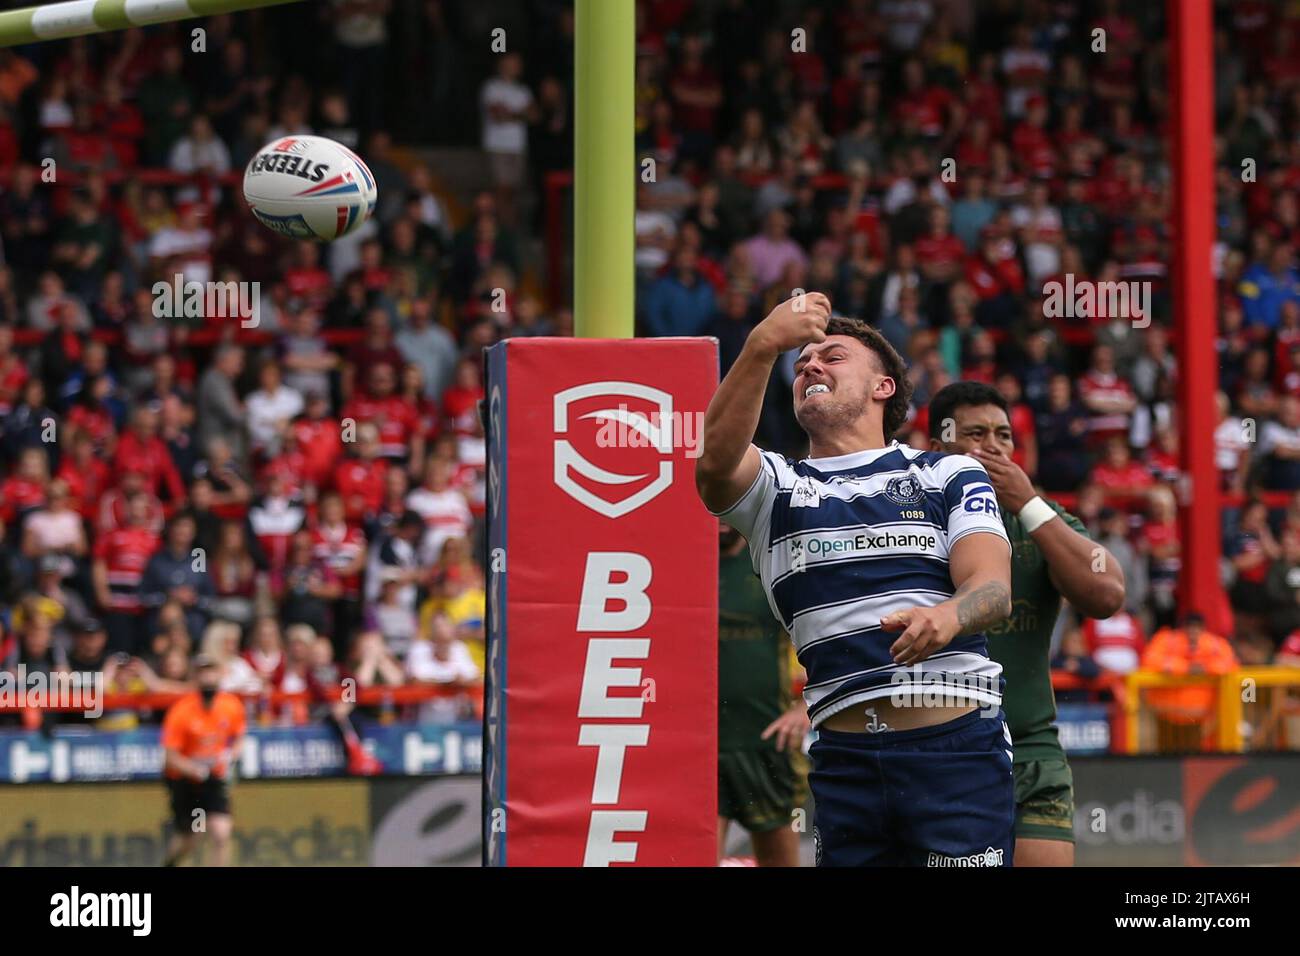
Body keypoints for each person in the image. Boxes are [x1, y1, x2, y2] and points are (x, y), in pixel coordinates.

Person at [696, 294, 1015, 867]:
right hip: (845, 762)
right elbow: (714, 467)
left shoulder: (947, 471)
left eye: (833, 358)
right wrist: (763, 343)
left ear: (882, 386)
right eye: (801, 364)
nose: (810, 366)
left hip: (956, 751)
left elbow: (992, 588)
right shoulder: (777, 488)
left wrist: (946, 616)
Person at [927, 380, 1125, 867]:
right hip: (939, 749)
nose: (993, 446)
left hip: (1031, 746)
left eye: (1003, 435)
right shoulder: (913, 523)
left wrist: (1030, 505)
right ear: (937, 448)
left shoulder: (1042, 520)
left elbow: (1108, 593)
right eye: (975, 434)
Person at [717, 521, 809, 866]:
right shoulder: (682, 567)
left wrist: (805, 707)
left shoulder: (771, 564)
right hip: (703, 748)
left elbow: (826, 637)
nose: (718, 523)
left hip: (767, 742)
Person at [160, 654, 246, 866]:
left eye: (212, 671)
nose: (208, 677)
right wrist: (196, 769)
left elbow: (239, 738)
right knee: (192, 837)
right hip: (187, 782)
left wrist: (229, 756)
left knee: (221, 832)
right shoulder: (182, 711)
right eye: (203, 672)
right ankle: (170, 863)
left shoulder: (231, 705)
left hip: (213, 778)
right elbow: (171, 757)